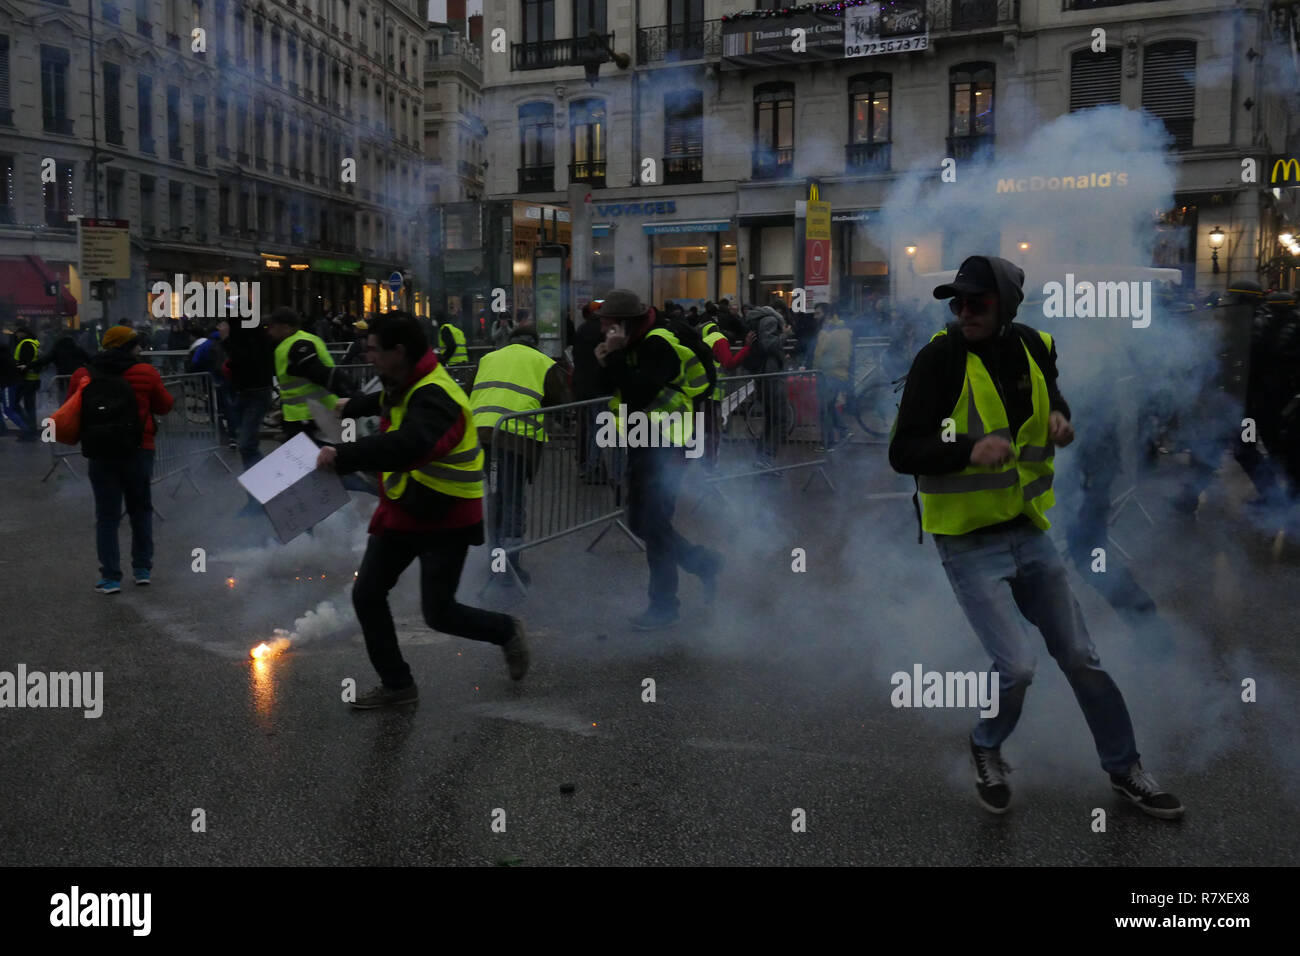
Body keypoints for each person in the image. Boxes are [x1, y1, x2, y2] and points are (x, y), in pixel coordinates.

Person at [888, 254, 1183, 820]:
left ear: (1006, 305)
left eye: (977, 302)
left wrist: (1061, 421)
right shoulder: (938, 358)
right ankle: (986, 746)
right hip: (967, 541)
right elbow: (903, 451)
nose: (964, 311)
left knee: (1081, 657)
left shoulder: (1035, 347)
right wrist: (966, 450)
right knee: (1018, 667)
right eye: (957, 302)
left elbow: (1054, 401)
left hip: (1028, 528)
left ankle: (1126, 769)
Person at [315, 312, 530, 708]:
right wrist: (354, 406)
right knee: (368, 593)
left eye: (374, 350)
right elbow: (389, 401)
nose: (368, 357)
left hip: (447, 516)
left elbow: (409, 445)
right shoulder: (406, 380)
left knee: (440, 613)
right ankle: (398, 685)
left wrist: (343, 454)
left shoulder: (436, 395)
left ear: (398, 351)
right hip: (406, 508)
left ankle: (506, 631)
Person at [596, 290, 723, 629]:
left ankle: (664, 606)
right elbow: (611, 388)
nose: (603, 330)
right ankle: (702, 564)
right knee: (643, 523)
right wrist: (607, 359)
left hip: (667, 445)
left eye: (608, 324)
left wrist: (615, 356)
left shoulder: (656, 344)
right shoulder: (635, 343)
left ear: (625, 324)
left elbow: (639, 394)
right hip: (647, 442)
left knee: (653, 523)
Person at [69, 326, 175, 592]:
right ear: (129, 346)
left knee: (107, 515)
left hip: (101, 451)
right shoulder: (145, 372)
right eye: (137, 344)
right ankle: (142, 568)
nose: (140, 349)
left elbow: (72, 407)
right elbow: (165, 405)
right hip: (139, 449)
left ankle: (110, 577)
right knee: (140, 510)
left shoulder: (83, 374)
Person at [470, 322, 569, 585]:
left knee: (496, 497)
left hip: (484, 437)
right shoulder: (543, 362)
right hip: (516, 441)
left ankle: (496, 561)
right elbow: (561, 402)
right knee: (512, 501)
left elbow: (471, 390)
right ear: (535, 343)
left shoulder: (489, 358)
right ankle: (508, 568)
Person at [267, 307, 350, 440]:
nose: (269, 331)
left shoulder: (298, 344)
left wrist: (351, 396)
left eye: (272, 327)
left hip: (309, 415)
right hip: (307, 414)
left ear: (285, 327)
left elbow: (320, 374)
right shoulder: (303, 340)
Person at [742, 305, 792, 469]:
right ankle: (767, 458)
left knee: (772, 419)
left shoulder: (760, 321)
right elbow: (768, 344)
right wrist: (785, 335)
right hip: (771, 375)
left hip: (765, 375)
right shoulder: (770, 320)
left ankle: (762, 458)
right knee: (781, 420)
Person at [572, 300, 610, 480]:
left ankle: (586, 463)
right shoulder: (602, 331)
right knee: (598, 427)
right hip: (598, 385)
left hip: (582, 385)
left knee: (588, 427)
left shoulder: (582, 329)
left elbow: (576, 355)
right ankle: (593, 466)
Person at [811, 302, 853, 450]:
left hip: (828, 374)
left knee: (825, 409)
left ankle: (830, 441)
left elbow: (819, 354)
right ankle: (842, 433)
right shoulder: (842, 329)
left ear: (827, 315)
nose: (815, 317)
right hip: (838, 373)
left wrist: (815, 369)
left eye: (818, 313)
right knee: (829, 407)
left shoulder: (827, 331)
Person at [9, 323, 41, 440]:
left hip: (26, 380)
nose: (16, 335)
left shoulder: (25, 344)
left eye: (18, 333)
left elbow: (23, 363)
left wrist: (17, 374)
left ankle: (29, 429)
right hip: (33, 379)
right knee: (29, 407)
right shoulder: (33, 343)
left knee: (15, 404)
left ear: (24, 333)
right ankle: (31, 430)